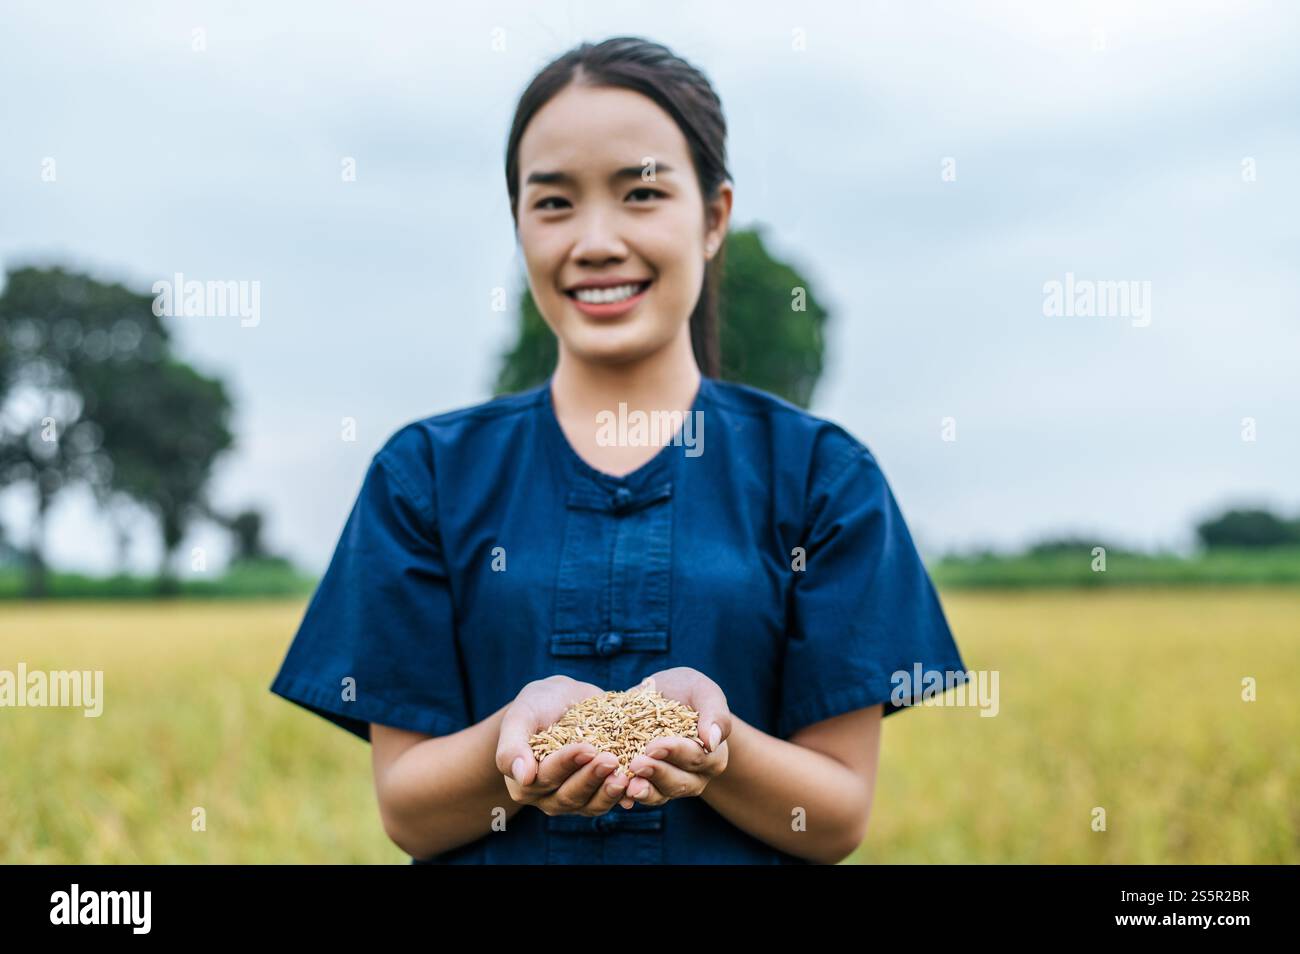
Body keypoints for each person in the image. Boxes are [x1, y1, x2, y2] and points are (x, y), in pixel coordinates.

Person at [269, 35, 970, 865]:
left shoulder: (823, 476)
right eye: (555, 203)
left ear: (713, 218)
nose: (594, 240)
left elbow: (838, 816)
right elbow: (409, 814)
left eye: (641, 193)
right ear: (519, 225)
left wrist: (719, 746)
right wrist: (513, 739)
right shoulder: (423, 475)